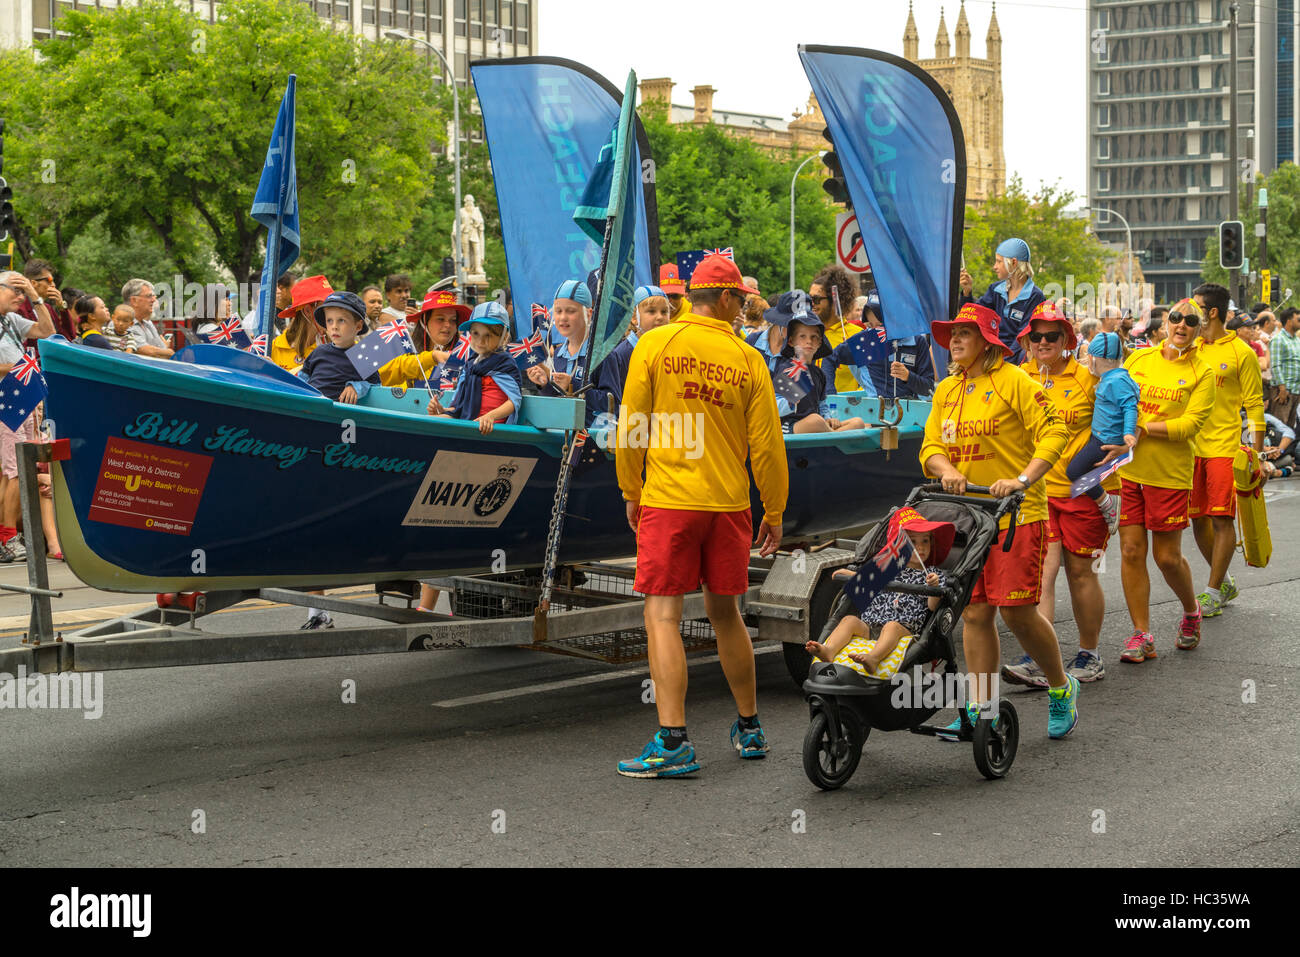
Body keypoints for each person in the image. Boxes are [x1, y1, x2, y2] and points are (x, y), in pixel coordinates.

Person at [615, 254, 786, 777]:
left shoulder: (656, 343)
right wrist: (774, 509)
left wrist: (631, 488)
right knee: (727, 614)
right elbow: (767, 445)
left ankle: (673, 742)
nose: (743, 311)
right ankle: (750, 727)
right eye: (742, 302)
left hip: (670, 498)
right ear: (729, 299)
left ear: (694, 296)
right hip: (729, 504)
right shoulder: (747, 358)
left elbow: (632, 424)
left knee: (662, 616)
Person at [920, 302, 1079, 738]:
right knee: (973, 613)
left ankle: (1062, 687)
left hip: (1016, 516)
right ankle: (979, 708)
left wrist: (1022, 478)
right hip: (967, 519)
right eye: (951, 333)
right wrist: (946, 471)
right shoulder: (946, 389)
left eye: (965, 333)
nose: (954, 340)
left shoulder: (1015, 381)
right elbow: (930, 445)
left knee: (1018, 613)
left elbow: (1055, 432)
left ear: (987, 342)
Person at [1007, 302, 1113, 685]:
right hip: (1038, 492)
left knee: (1081, 573)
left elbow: (1114, 425)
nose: (1043, 342)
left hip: (1082, 492)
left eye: (1052, 336)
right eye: (1036, 336)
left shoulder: (1087, 379)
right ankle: (1040, 657)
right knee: (1044, 573)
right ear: (1027, 340)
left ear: (1066, 339)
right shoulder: (1020, 376)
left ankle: (1090, 654)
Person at [1115, 297, 1216, 661]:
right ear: (1165, 321)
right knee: (1130, 551)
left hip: (1169, 475)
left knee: (1167, 557)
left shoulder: (1203, 372)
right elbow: (1118, 397)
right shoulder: (1140, 359)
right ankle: (1141, 634)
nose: (1182, 325)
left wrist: (1145, 427)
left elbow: (1190, 425)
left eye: (1191, 321)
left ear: (1199, 329)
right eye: (1176, 318)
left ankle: (1191, 611)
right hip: (1128, 471)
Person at [1190, 282, 1265, 618]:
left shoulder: (1242, 352)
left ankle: (1212, 589)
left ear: (1212, 312)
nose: (1189, 311)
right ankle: (1224, 581)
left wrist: (1257, 456)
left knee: (1221, 519)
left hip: (1223, 447)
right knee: (1197, 521)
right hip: (1190, 448)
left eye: (1196, 306)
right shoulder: (1189, 347)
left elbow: (1255, 407)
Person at [805, 509, 953, 679]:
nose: (919, 547)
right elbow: (868, 582)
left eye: (925, 541)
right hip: (872, 625)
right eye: (912, 542)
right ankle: (829, 650)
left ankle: (873, 658)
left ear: (931, 544)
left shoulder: (933, 575)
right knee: (849, 620)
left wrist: (933, 587)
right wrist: (850, 575)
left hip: (903, 628)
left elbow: (933, 607)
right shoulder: (890, 568)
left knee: (891, 626)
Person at [0, 273, 57, 563]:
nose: (21, 297)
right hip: (6, 399)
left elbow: (46, 331)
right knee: (16, 469)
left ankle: (7, 535)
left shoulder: (11, 321)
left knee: (16, 468)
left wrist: (37, 297)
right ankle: (7, 536)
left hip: (21, 398)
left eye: (24, 292)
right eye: (16, 290)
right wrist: (20, 368)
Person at [1063, 332, 1139, 534]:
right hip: (1100, 436)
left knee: (1074, 472)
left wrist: (1129, 434)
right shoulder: (1112, 375)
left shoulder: (1117, 381)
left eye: (1089, 358)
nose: (1087, 362)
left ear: (1096, 359)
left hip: (1104, 441)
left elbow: (1130, 406)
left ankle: (1107, 503)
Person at [524, 279, 614, 425]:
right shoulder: (558, 353)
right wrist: (544, 384)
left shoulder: (603, 354)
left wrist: (573, 386)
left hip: (592, 441)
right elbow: (556, 401)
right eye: (558, 311)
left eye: (571, 311)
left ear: (589, 314)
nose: (563, 317)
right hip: (561, 437)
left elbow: (612, 403)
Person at [427, 301, 521, 434]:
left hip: (491, 427)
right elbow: (460, 407)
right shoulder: (470, 365)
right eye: (476, 334)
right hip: (468, 422)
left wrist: (490, 416)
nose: (480, 341)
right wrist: (442, 410)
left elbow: (514, 401)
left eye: (488, 335)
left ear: (504, 337)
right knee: (427, 423)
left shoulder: (506, 363)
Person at [822, 292, 936, 400]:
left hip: (911, 413)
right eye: (871, 325)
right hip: (875, 412)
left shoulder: (916, 342)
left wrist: (908, 376)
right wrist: (830, 395)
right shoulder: (866, 341)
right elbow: (830, 358)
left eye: (881, 324)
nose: (876, 332)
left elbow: (928, 388)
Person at [772, 314, 866, 434]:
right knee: (815, 420)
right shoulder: (788, 369)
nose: (809, 341)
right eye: (802, 336)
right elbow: (774, 406)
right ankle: (832, 435)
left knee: (858, 422)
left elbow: (822, 404)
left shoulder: (818, 373)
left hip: (817, 425)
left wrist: (828, 418)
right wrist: (790, 403)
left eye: (814, 337)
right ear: (791, 341)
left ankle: (829, 433)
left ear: (819, 343)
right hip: (790, 425)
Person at [958, 237, 1045, 363]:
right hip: (992, 351)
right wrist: (967, 292)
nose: (994, 267)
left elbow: (1023, 337)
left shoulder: (1035, 296)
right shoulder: (995, 289)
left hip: (1014, 358)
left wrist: (1002, 361)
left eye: (999, 261)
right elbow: (973, 318)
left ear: (1013, 263)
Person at [595, 285, 670, 411]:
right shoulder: (622, 354)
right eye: (651, 311)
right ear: (634, 317)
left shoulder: (667, 349)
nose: (660, 317)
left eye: (664, 312)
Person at [299, 292, 381, 403]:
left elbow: (376, 385)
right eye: (329, 321)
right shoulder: (319, 351)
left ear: (358, 326)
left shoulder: (363, 356)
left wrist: (356, 387)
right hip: (309, 407)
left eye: (341, 320)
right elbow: (301, 380)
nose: (334, 327)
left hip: (339, 415)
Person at [380, 289, 468, 390]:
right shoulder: (404, 352)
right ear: (424, 322)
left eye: (453, 320)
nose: (448, 325)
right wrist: (431, 357)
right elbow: (380, 376)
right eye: (440, 319)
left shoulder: (466, 356)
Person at [809, 264, 862, 393]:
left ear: (834, 300)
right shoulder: (805, 335)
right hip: (811, 410)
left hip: (847, 410)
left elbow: (870, 382)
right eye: (809, 298)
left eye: (816, 299)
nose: (811, 304)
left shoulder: (858, 335)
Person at [271, 275, 333, 372]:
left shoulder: (341, 343)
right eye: (328, 307)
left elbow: (364, 369)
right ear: (308, 311)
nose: (334, 312)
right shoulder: (274, 348)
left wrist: (354, 384)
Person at [15, 260, 76, 341]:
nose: (53, 285)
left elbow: (68, 337)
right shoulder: (19, 307)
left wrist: (62, 307)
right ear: (33, 283)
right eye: (49, 280)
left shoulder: (48, 308)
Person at [120, 279, 174, 359]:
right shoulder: (121, 322)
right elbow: (149, 352)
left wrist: (165, 350)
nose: (154, 300)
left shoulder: (147, 323)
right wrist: (170, 352)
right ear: (134, 301)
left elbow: (161, 349)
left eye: (153, 296)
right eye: (149, 296)